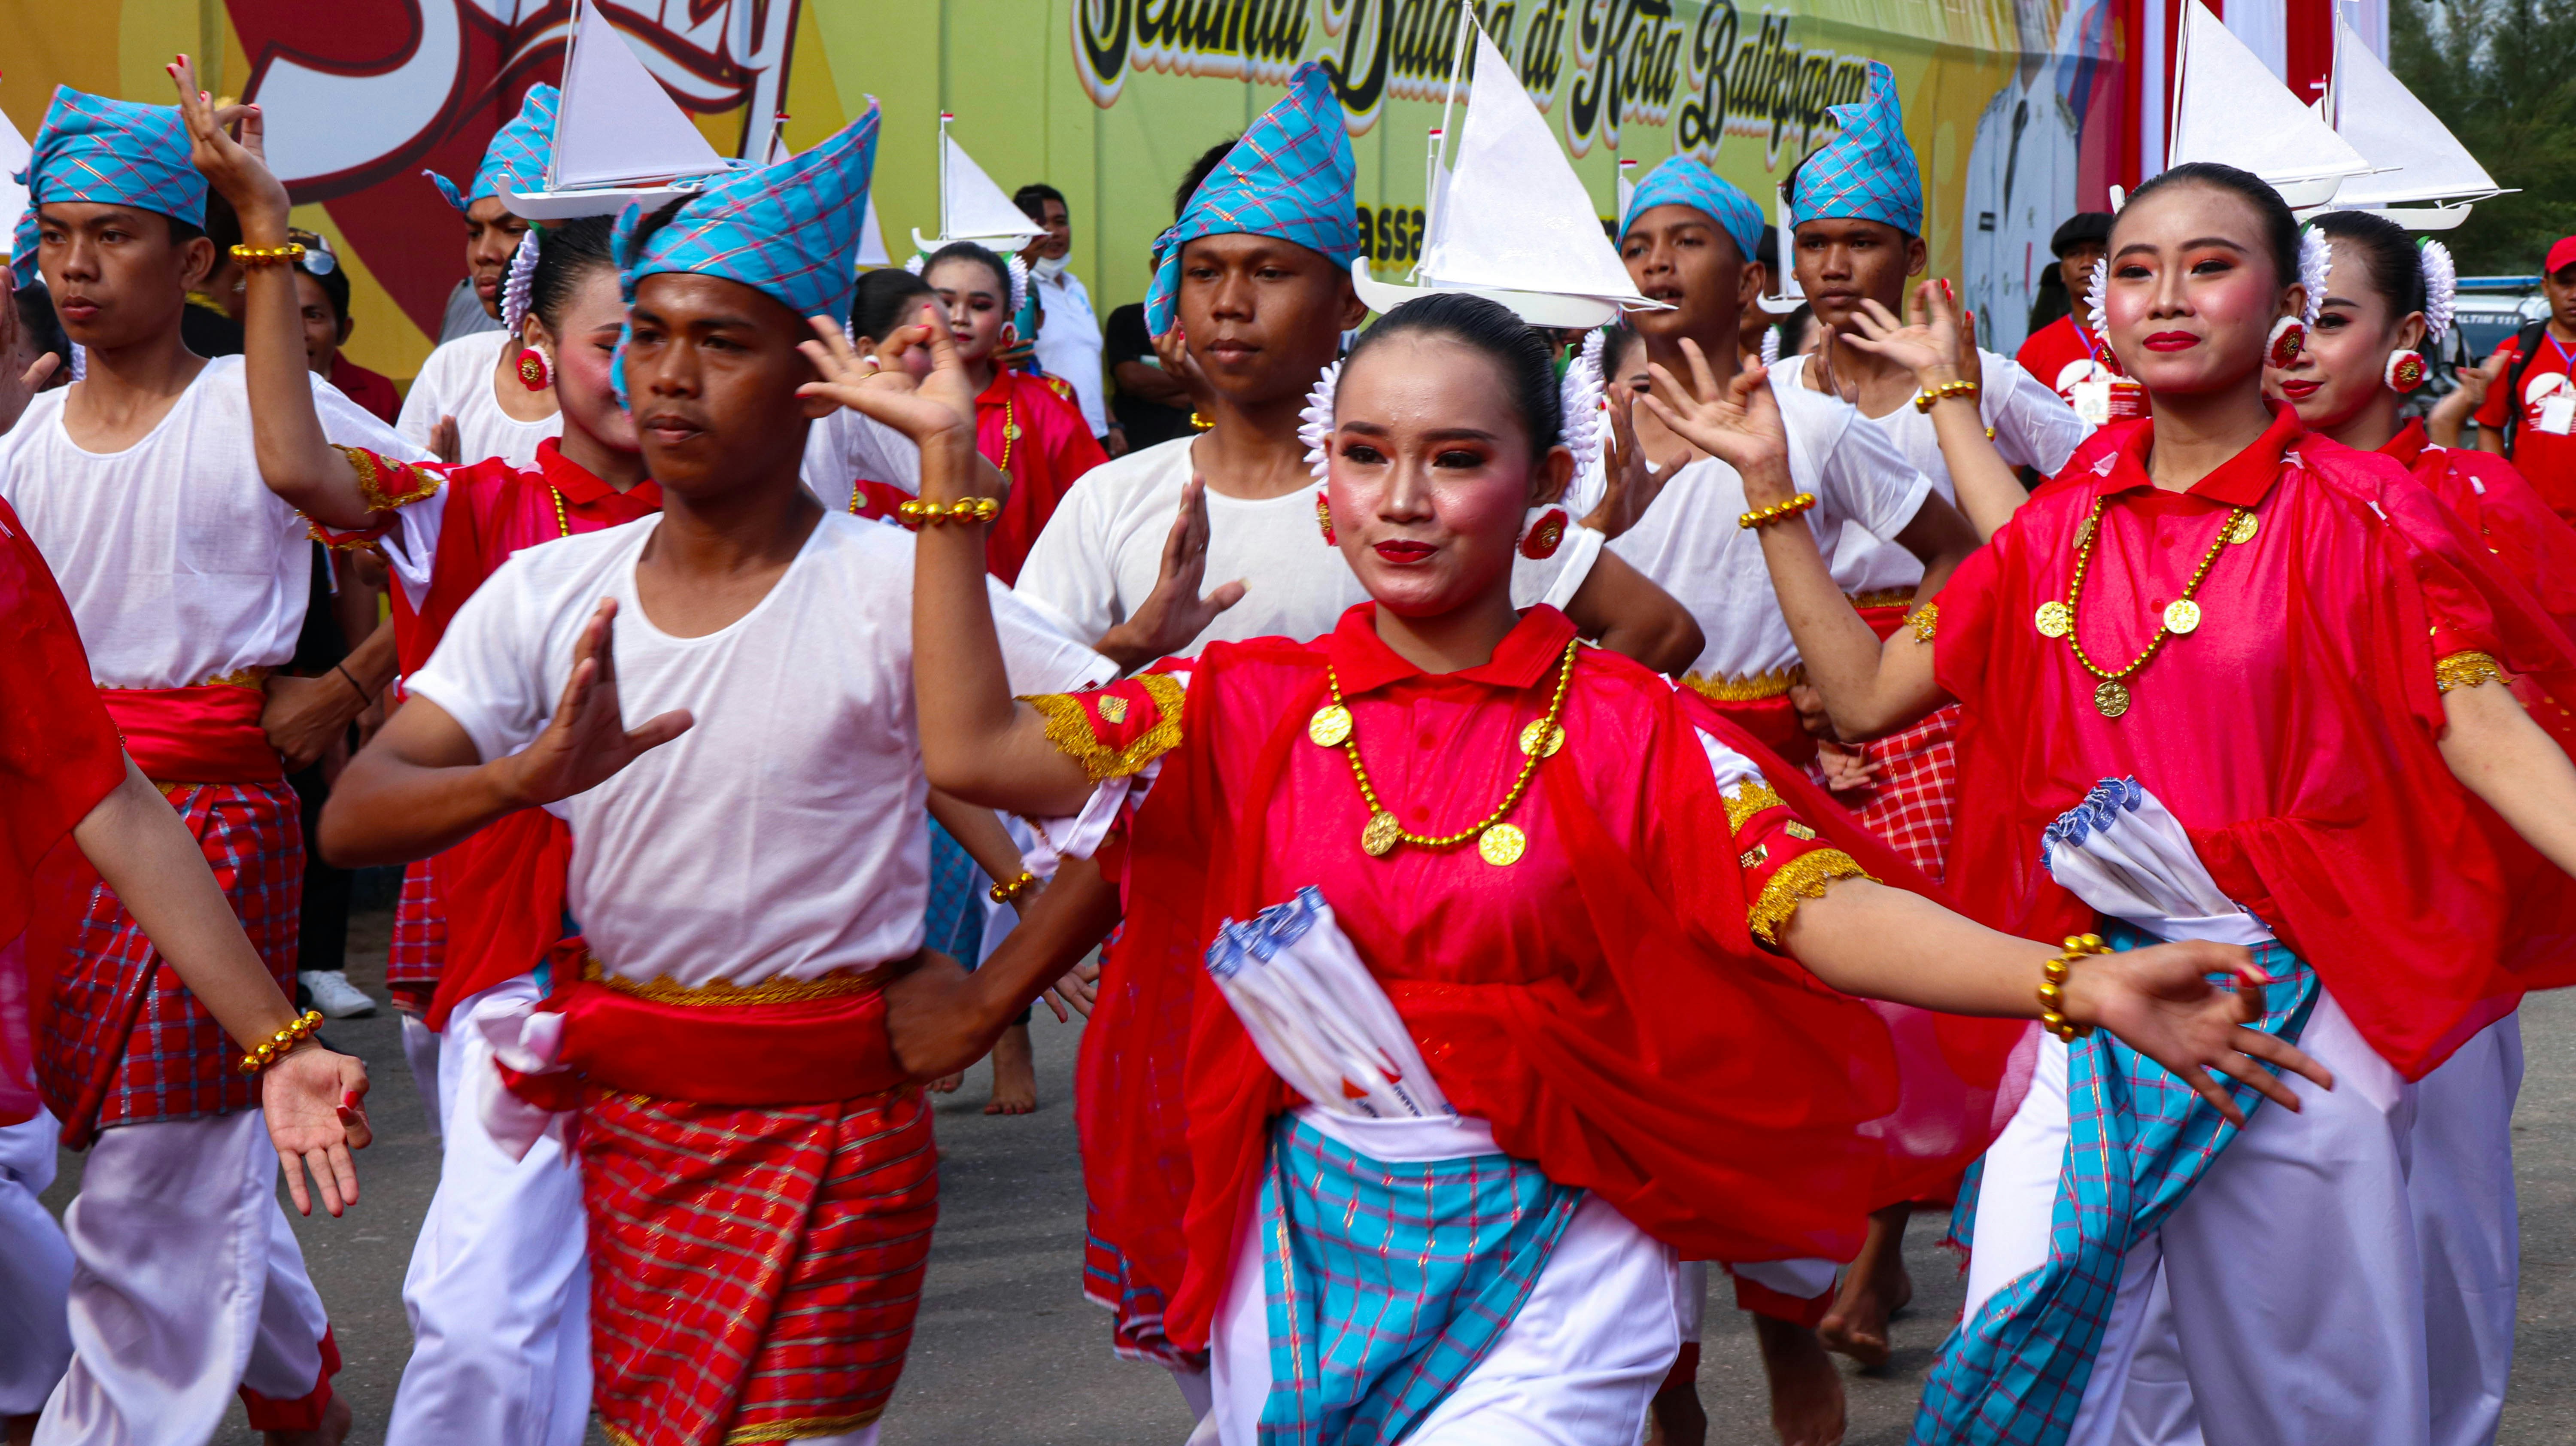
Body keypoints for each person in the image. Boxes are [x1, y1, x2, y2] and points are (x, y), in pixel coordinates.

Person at [869, 284, 2330, 1446]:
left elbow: (1823, 910)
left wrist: (2074, 979)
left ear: (1548, 488)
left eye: (1456, 458)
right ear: (1324, 488)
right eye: (1367, 456)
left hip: (1560, 1244)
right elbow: (979, 748)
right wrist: (946, 479)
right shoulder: (1237, 701)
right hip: (1303, 1237)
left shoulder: (1622, 724)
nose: (1403, 499)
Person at [1693, 160, 2576, 1446]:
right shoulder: (2057, 526)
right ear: (2098, 302)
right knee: (2033, 1353)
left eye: (2208, 265)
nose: (2165, 295)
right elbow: (1870, 691)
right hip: (2093, 1003)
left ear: (2285, 306)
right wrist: (1772, 494)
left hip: (2295, 1024)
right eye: (2134, 268)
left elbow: (2479, 728)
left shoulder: (2362, 515)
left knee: (2308, 1406)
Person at [315, 102, 1116, 1446]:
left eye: (719, 341)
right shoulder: (545, 590)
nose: (669, 376)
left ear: (810, 376)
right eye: (648, 335)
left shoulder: (894, 586)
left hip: (835, 1137)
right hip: (622, 1126)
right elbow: (356, 814)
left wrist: (991, 999)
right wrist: (529, 773)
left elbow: (1147, 769)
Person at [3, 67, 424, 1446]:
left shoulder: (262, 400)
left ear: (194, 255)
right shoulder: (22, 452)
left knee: (156, 1175)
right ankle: (296, 1391)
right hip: (56, 833)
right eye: (55, 235)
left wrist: (348, 684)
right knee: (171, 1150)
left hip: (216, 827)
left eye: (111, 234)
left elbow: (451, 549)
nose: (73, 265)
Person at [1016, 65, 1701, 687]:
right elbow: (1012, 711)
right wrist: (1132, 648)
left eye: (1269, 272)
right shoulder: (1111, 500)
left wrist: (1483, 752)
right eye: (1203, 273)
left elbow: (1660, 628)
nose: (1228, 303)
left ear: (1348, 299)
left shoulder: (1420, 502)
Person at [2261, 206, 2576, 1446]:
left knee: (2439, 1235)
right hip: (2254, 933)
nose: (2294, 345)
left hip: (2440, 931)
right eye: (2284, 314)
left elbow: (2533, 710)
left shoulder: (2468, 500)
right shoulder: (2204, 497)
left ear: (2409, 340)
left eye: (2329, 319)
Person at [0, 473, 372, 1446]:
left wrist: (279, 1040)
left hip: (192, 838)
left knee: (168, 1177)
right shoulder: (31, 450)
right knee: (191, 1181)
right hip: (84, 855)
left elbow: (109, 796)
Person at [919, 240, 1106, 584]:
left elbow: (1099, 509)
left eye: (979, 305)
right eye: (944, 303)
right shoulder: (892, 403)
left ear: (1008, 317)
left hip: (1021, 608)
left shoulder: (1046, 407)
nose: (959, 317)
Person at [399, 85, 561, 468]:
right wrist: (440, 499)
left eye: (512, 229)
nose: (485, 253)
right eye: (475, 233)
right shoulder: (452, 368)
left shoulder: (609, 383)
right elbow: (402, 512)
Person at [2469, 233, 2576, 518]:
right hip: (2534, 520)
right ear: (2546, 286)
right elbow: (2490, 425)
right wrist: (2499, 494)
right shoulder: (2514, 352)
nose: (2574, 294)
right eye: (2565, 283)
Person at [1016, 181, 1118, 454]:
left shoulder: (1076, 287)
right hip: (1049, 437)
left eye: (1060, 222)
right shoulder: (1016, 290)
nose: (1052, 232)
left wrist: (1111, 424)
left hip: (1095, 435)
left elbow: (1086, 362)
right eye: (1041, 224)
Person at [2015, 212, 2128, 415]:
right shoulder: (2035, 349)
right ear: (2061, 272)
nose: (2086, 262)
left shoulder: (2144, 337)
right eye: (2075, 254)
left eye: (2099, 251)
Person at [286, 230, 396, 424]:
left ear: (344, 330)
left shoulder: (380, 398)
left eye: (313, 316)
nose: (298, 333)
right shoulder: (232, 390)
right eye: (282, 315)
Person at [1103, 295, 1200, 450]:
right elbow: (1131, 379)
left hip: (1192, 444)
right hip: (1138, 444)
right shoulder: (1128, 319)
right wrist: (1198, 384)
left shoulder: (1209, 323)